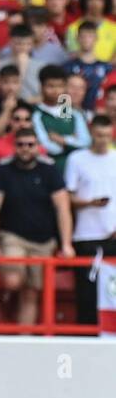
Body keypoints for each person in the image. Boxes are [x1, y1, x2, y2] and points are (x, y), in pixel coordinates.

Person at [0, 127, 76, 326]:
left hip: (43, 241)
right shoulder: (2, 169)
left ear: (38, 146)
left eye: (30, 145)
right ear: (14, 146)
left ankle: (23, 340)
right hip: (12, 235)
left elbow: (62, 208)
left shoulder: (49, 170)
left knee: (31, 293)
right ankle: (8, 294)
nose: (25, 149)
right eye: (20, 145)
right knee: (13, 280)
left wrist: (66, 244)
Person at [65, 113, 116, 324]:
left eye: (106, 135)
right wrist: (89, 203)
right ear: (91, 133)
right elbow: (67, 196)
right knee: (86, 293)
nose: (102, 139)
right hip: (86, 235)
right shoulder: (76, 159)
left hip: (112, 234)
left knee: (112, 292)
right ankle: (84, 338)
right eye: (98, 135)